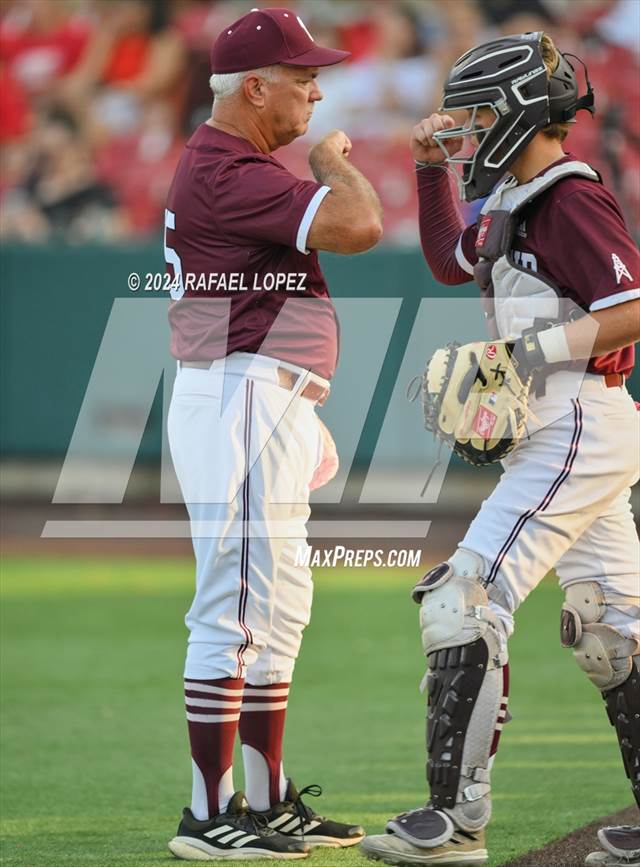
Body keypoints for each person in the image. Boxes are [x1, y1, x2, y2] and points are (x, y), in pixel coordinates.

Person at [360, 31, 639, 867]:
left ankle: (456, 822)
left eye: (482, 115)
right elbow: (454, 261)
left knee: (464, 599)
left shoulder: (567, 195)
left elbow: (630, 307)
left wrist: (528, 354)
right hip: (572, 426)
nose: (472, 132)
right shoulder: (521, 199)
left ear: (522, 111)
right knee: (613, 630)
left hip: (577, 422)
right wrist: (426, 171)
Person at [164, 7, 382, 862]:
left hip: (262, 390)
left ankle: (264, 799)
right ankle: (207, 814)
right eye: (302, 78)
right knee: (236, 608)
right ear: (254, 88)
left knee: (280, 605)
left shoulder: (232, 161)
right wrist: (330, 166)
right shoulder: (227, 167)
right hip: (240, 390)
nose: (316, 91)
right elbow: (360, 224)